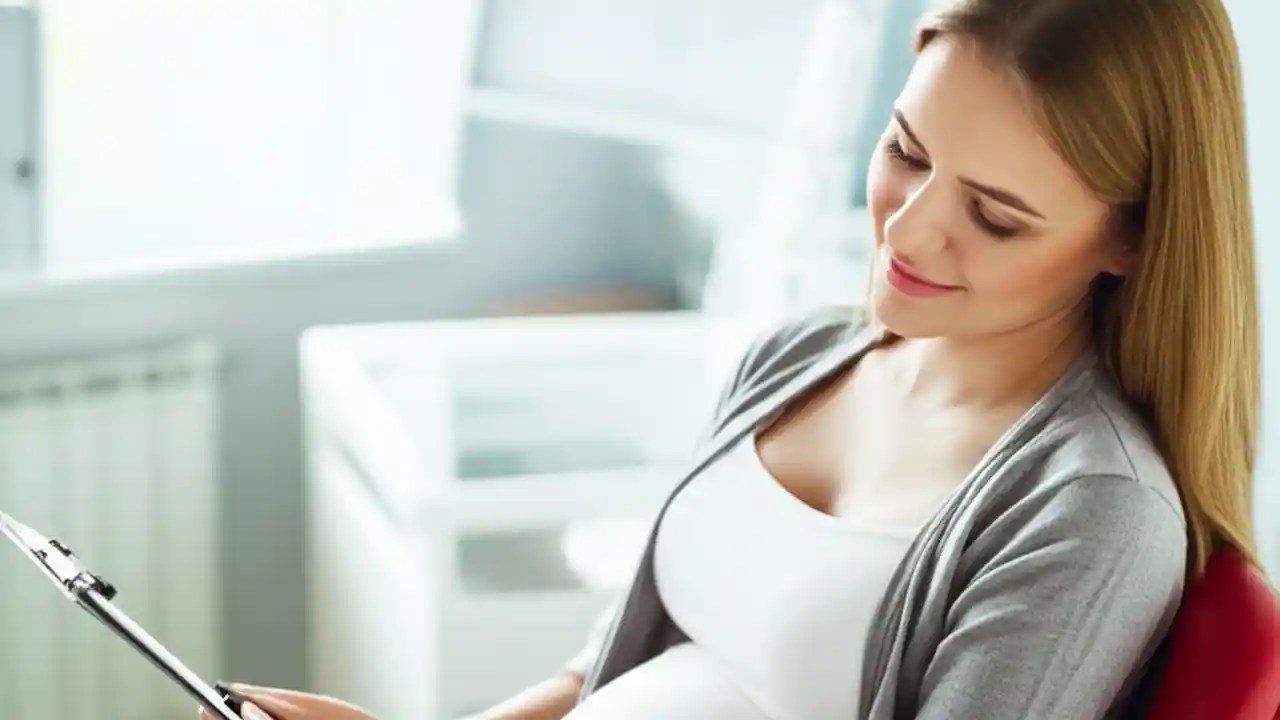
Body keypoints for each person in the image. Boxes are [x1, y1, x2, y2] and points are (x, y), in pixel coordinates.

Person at [205, 0, 1263, 717]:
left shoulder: (1089, 515)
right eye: (903, 152)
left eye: (992, 216)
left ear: (1130, 239)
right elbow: (611, 661)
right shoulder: (799, 355)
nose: (905, 232)